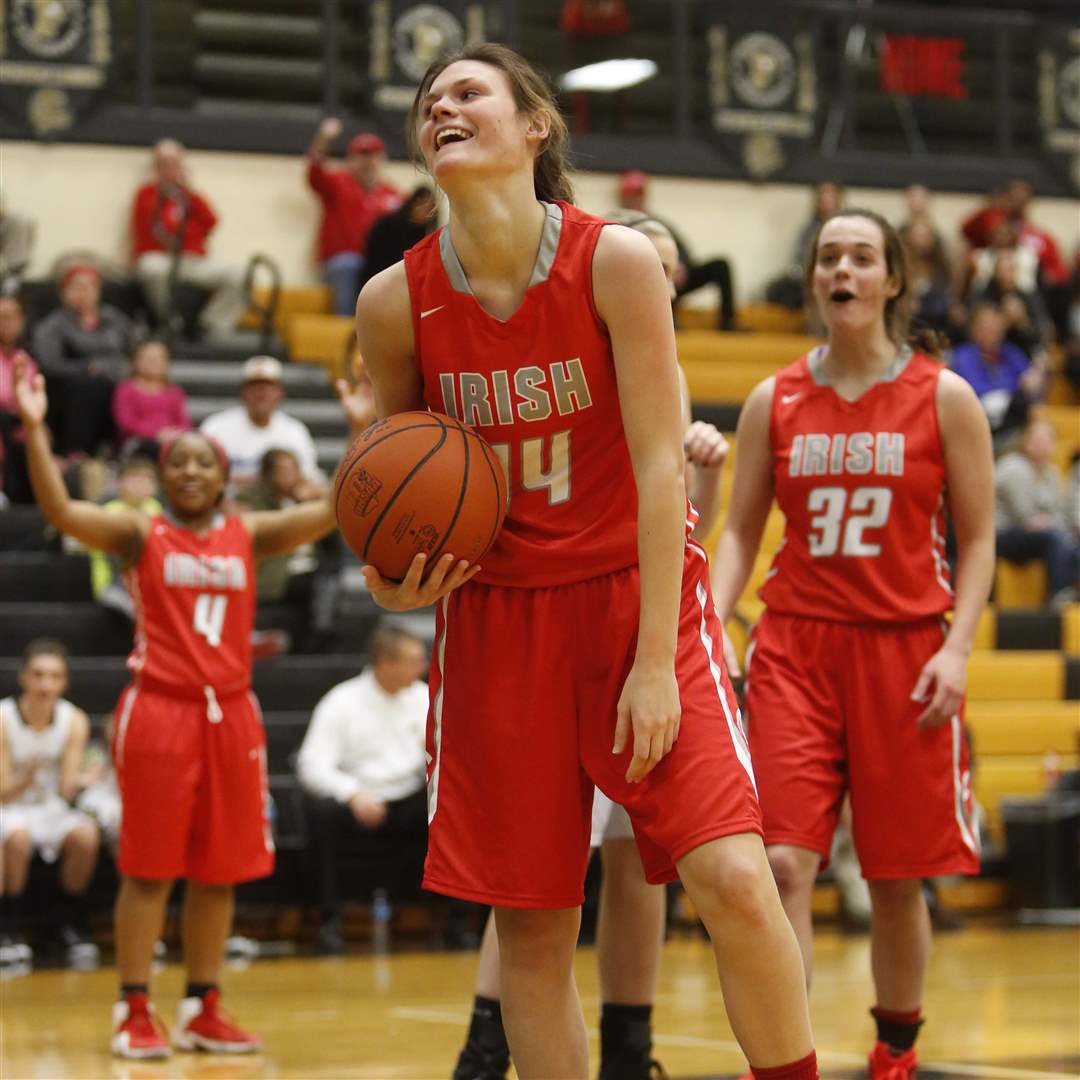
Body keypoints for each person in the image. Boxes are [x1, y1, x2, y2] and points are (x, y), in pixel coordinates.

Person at [355, 43, 817, 1080]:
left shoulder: (614, 262)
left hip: (635, 598)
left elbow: (664, 470)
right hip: (496, 622)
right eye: (430, 102)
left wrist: (656, 661)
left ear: (535, 127)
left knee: (736, 879)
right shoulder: (396, 301)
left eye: (469, 92)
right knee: (530, 929)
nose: (442, 107)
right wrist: (392, 580)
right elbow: (385, 492)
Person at [14, 356, 368, 1060]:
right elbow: (58, 509)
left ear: (224, 477)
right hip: (161, 709)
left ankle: (204, 1004)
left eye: (204, 463)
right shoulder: (140, 534)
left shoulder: (249, 533)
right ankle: (134, 1006)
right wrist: (34, 428)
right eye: (178, 463)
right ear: (163, 478)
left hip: (231, 713)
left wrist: (358, 430)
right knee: (150, 869)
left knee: (220, 868)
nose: (191, 473)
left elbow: (334, 508)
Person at [711, 207, 995, 1078]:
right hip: (797, 649)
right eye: (829, 257)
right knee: (786, 866)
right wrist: (709, 623)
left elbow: (979, 538)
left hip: (906, 651)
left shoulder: (944, 396)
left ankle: (894, 1049)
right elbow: (739, 531)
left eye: (862, 257)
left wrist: (956, 650)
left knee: (897, 876)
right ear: (815, 279)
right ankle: (787, 1058)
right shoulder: (776, 398)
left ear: (893, 280)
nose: (843, 270)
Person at [452, 207, 731, 1080]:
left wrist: (709, 484)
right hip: (536, 621)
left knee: (636, 860)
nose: (658, 271)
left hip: (637, 631)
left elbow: (685, 537)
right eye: (644, 253)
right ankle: (484, 1041)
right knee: (533, 873)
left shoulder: (668, 377)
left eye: (669, 262)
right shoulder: (556, 346)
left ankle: (629, 1047)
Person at [296, 625, 430, 955]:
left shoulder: (424, 698)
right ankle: (328, 923)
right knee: (320, 812)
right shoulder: (342, 701)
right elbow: (312, 764)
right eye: (413, 660)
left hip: (409, 798)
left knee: (447, 810)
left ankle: (456, 921)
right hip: (357, 798)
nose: (423, 667)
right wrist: (352, 793)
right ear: (385, 663)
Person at [0, 640, 103, 972]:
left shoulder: (74, 720)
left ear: (65, 681)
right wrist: (26, 778)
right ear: (23, 678)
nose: (46, 684)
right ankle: (9, 927)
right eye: (38, 675)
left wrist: (85, 779)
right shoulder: (3, 718)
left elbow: (65, 787)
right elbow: (3, 792)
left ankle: (67, 921)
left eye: (54, 676)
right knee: (16, 836)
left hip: (50, 807)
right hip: (10, 805)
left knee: (86, 835)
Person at [132, 139, 246, 339]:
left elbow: (211, 222)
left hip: (194, 261)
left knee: (239, 275)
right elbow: (153, 229)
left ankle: (212, 326)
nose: (169, 170)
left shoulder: (189, 196)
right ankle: (170, 320)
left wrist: (188, 192)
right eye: (164, 164)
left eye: (174, 164)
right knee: (149, 268)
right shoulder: (146, 194)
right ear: (156, 167)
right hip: (163, 260)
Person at [31, 263, 133, 458]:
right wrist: (86, 368)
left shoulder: (115, 319)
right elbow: (50, 364)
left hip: (113, 382)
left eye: (88, 287)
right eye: (76, 287)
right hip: (67, 391)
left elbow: (134, 352)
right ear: (64, 293)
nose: (82, 293)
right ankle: (75, 452)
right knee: (89, 386)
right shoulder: (53, 324)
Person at [617, 170, 737, 330]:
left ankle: (727, 322)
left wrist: (682, 266)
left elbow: (684, 251)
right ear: (623, 198)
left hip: (675, 278)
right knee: (659, 273)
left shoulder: (659, 223)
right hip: (648, 282)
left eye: (640, 195)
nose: (636, 200)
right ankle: (668, 322)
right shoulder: (617, 227)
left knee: (721, 265)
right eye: (632, 195)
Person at [306, 119, 403, 315]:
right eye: (362, 156)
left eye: (372, 156)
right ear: (351, 159)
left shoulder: (393, 196)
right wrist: (323, 138)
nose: (367, 162)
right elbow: (314, 172)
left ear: (381, 159)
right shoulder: (337, 184)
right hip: (340, 263)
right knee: (349, 265)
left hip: (375, 264)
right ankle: (347, 334)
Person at [199, 355, 323, 493]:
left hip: (282, 512)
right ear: (243, 391)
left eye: (267, 387)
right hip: (226, 510)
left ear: (280, 392)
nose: (261, 393)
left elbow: (310, 479)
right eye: (254, 387)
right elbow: (201, 479)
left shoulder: (295, 432)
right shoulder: (215, 428)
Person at [995, 418, 1079, 607]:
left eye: (1047, 440)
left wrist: (1050, 523)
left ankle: (1069, 594)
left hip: (1036, 534)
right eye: (1037, 439)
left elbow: (1059, 513)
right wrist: (1049, 523)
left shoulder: (1051, 472)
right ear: (1025, 441)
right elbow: (1024, 516)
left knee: (1070, 543)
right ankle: (1058, 594)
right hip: (1003, 535)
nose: (1043, 445)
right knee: (1054, 538)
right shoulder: (1013, 466)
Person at [950, 302, 1046, 444]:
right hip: (974, 425)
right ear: (973, 330)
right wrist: (1013, 387)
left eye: (995, 326)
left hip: (1011, 427)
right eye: (985, 326)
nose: (991, 331)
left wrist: (1036, 376)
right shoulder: (962, 356)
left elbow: (1029, 382)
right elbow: (972, 388)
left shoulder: (1011, 352)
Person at [87, 455, 162, 618]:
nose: (140, 485)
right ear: (118, 483)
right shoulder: (106, 511)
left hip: (153, 585)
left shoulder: (160, 513)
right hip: (113, 584)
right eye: (134, 478)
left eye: (147, 479)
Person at [112, 338, 192, 457]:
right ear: (136, 361)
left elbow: (184, 422)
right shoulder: (126, 389)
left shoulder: (174, 392)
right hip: (138, 443)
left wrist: (174, 434)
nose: (153, 362)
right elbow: (126, 423)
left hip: (171, 441)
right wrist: (156, 434)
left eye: (158, 359)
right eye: (148, 358)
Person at [359, 186, 438, 288]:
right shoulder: (389, 224)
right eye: (421, 204)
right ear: (412, 203)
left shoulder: (425, 231)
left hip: (403, 280)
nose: (424, 210)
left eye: (429, 208)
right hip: (377, 278)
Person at [0, 295, 39, 503]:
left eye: (12, 317)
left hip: (19, 425)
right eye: (1, 317)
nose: (6, 323)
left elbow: (31, 398)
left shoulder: (25, 359)